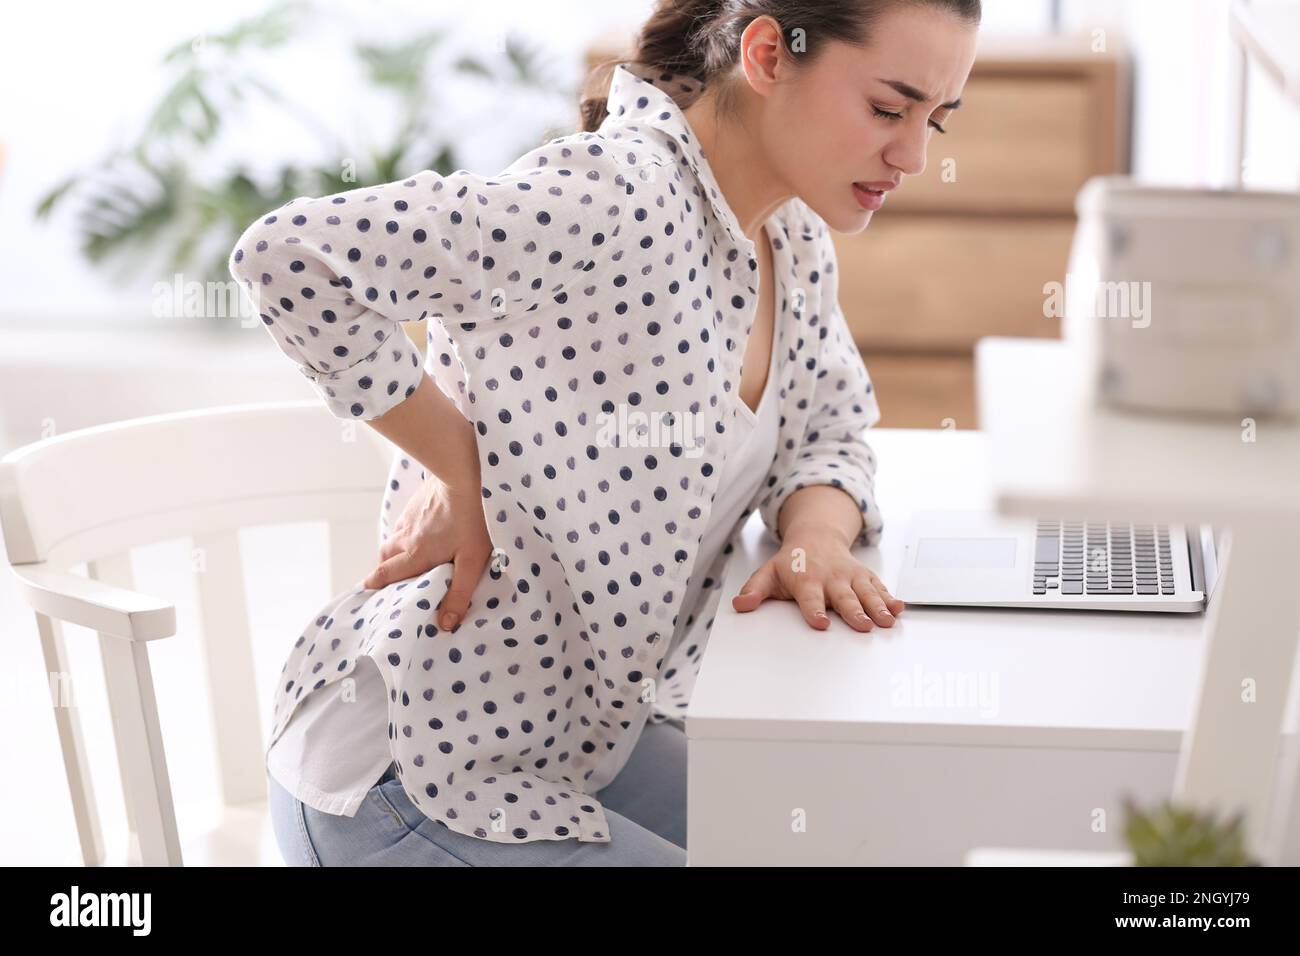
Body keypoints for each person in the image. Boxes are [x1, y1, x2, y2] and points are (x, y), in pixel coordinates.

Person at [235, 0, 980, 867]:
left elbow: (832, 429)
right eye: (889, 109)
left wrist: (815, 533)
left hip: (580, 747)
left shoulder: (796, 238)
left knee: (866, 848)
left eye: (937, 119)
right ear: (770, 54)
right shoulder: (608, 196)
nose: (915, 154)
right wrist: (456, 465)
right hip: (413, 774)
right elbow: (288, 256)